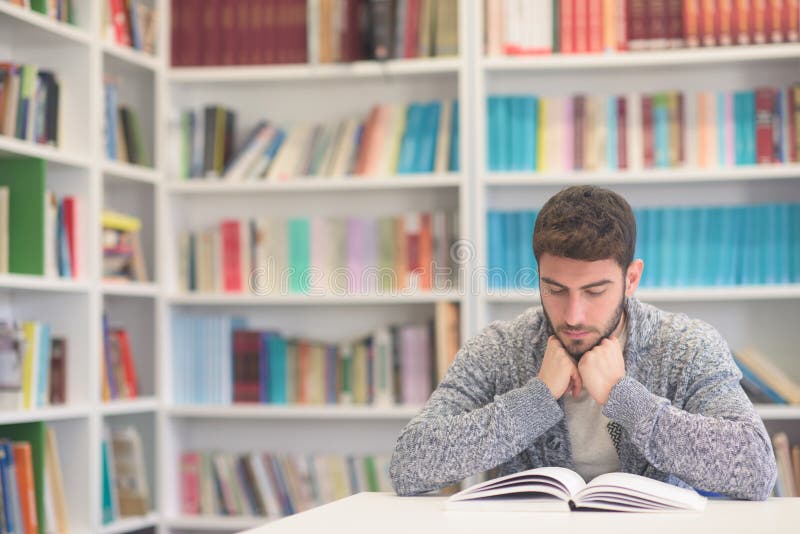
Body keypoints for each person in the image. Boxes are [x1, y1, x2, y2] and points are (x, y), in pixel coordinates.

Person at [389, 185, 776, 500]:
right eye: (555, 289)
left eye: (594, 291)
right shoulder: (499, 348)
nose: (573, 315)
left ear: (631, 279)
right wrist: (535, 400)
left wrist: (626, 398)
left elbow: (756, 469)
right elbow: (409, 465)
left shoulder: (686, 346)